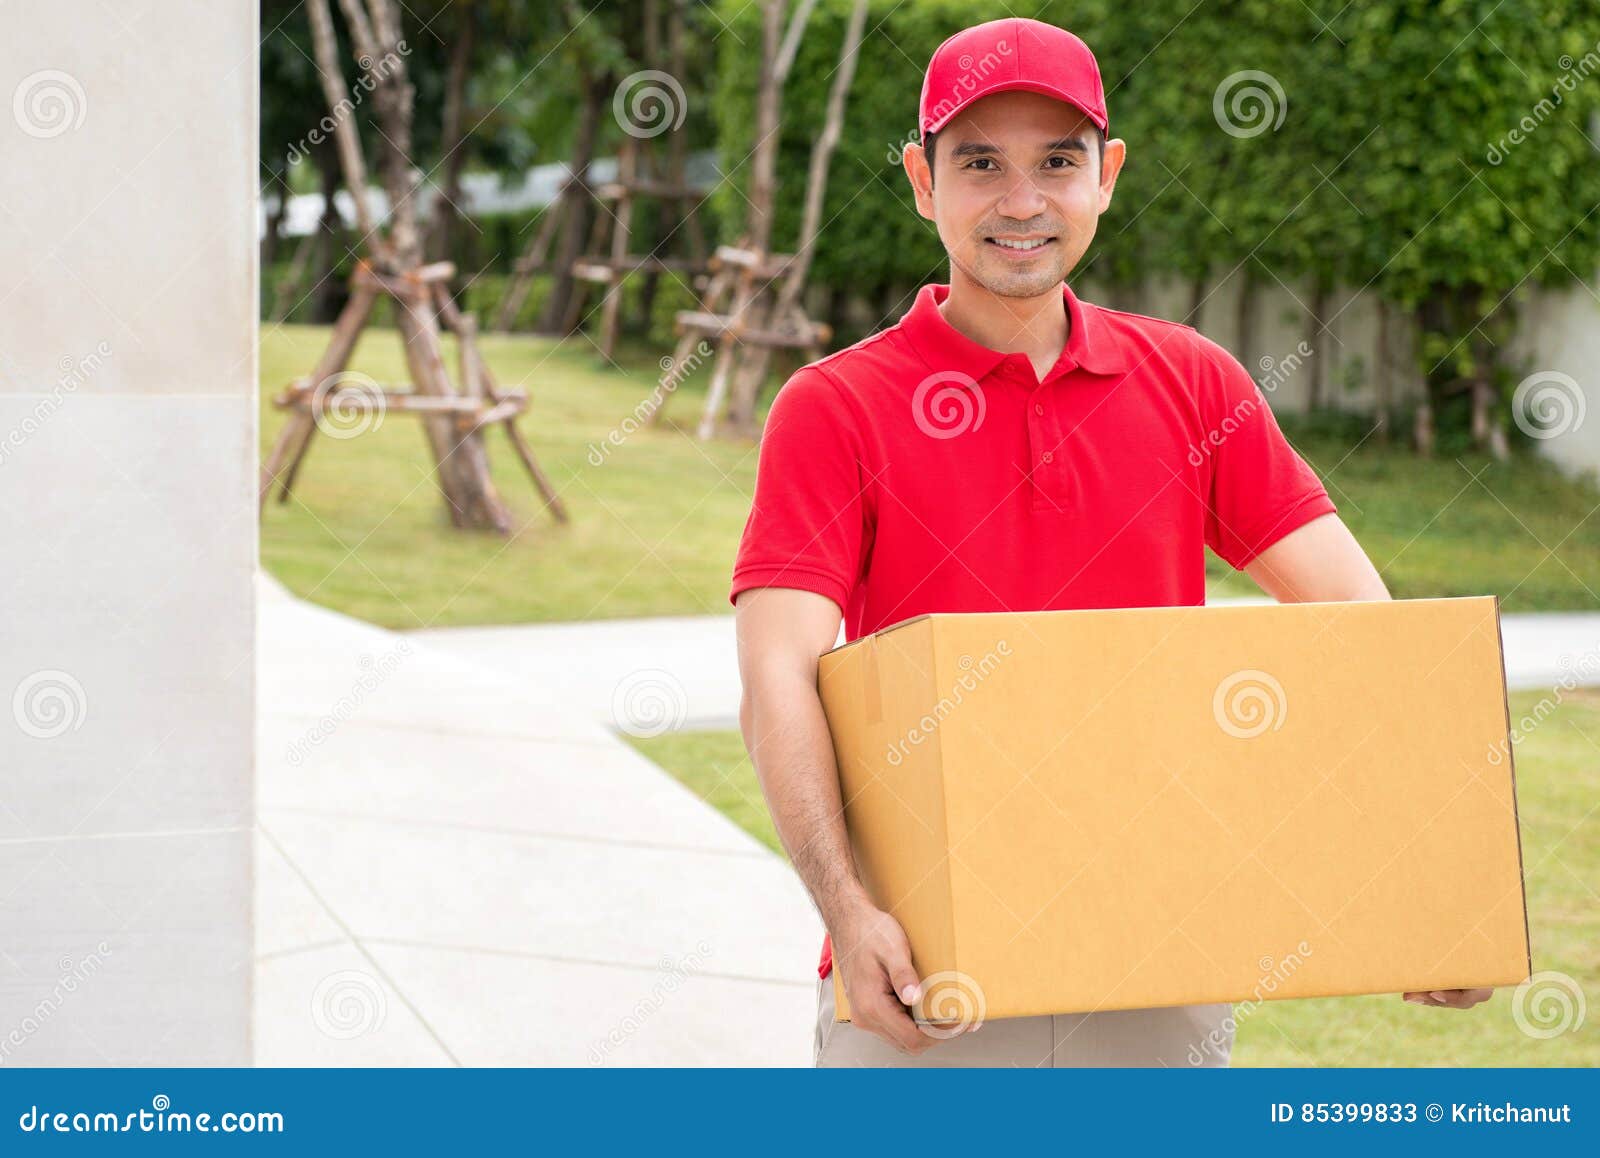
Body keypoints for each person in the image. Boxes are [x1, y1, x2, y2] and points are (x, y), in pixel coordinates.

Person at [730, 16, 1492, 1068]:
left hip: (1156, 969)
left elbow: (1365, 639)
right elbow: (779, 679)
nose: (1022, 201)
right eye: (979, 163)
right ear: (920, 179)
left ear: (1107, 175)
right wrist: (847, 912)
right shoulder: (834, 407)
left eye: (1057, 161)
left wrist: (1428, 887)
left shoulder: (1194, 385)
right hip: (917, 976)